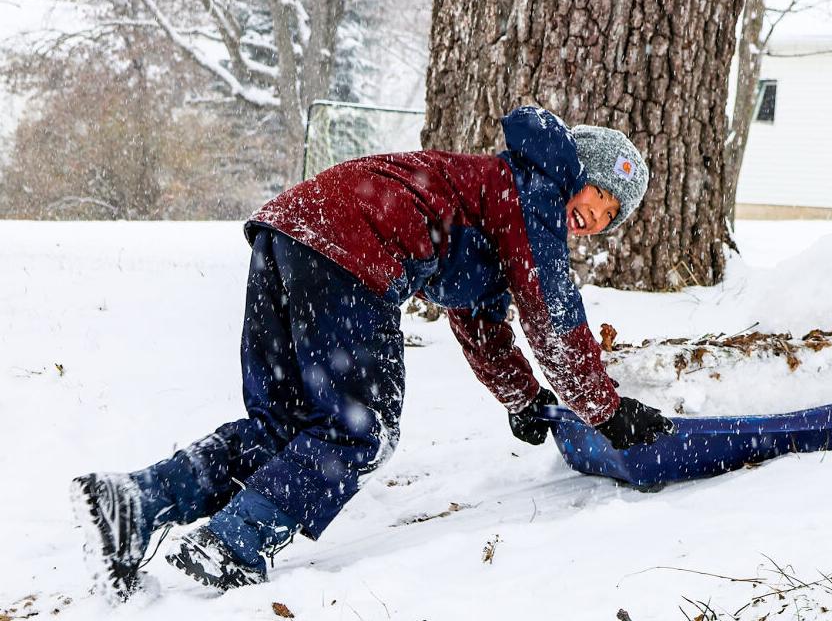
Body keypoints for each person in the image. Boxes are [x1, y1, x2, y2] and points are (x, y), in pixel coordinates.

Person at [69, 106, 675, 598]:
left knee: (287, 427)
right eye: (598, 191)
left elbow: (481, 322)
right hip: (353, 245)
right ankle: (235, 542)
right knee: (363, 428)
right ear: (575, 170)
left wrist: (524, 401)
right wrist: (608, 410)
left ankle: (138, 500)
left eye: (612, 214)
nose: (595, 214)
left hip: (292, 229)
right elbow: (554, 314)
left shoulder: (502, 201)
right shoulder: (535, 189)